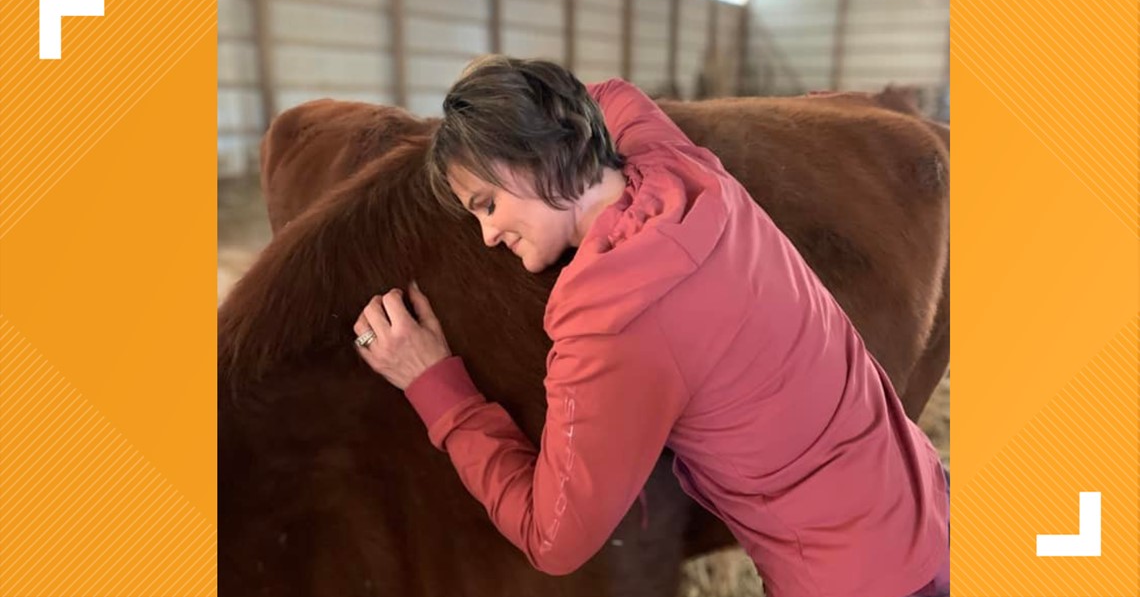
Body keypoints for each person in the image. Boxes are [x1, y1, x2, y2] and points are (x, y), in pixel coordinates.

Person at [351, 56, 950, 597]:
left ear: (535, 153)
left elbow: (553, 537)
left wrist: (434, 385)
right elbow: (611, 91)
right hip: (925, 511)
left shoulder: (612, 324)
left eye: (486, 203)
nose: (486, 234)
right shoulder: (682, 170)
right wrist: (498, 96)